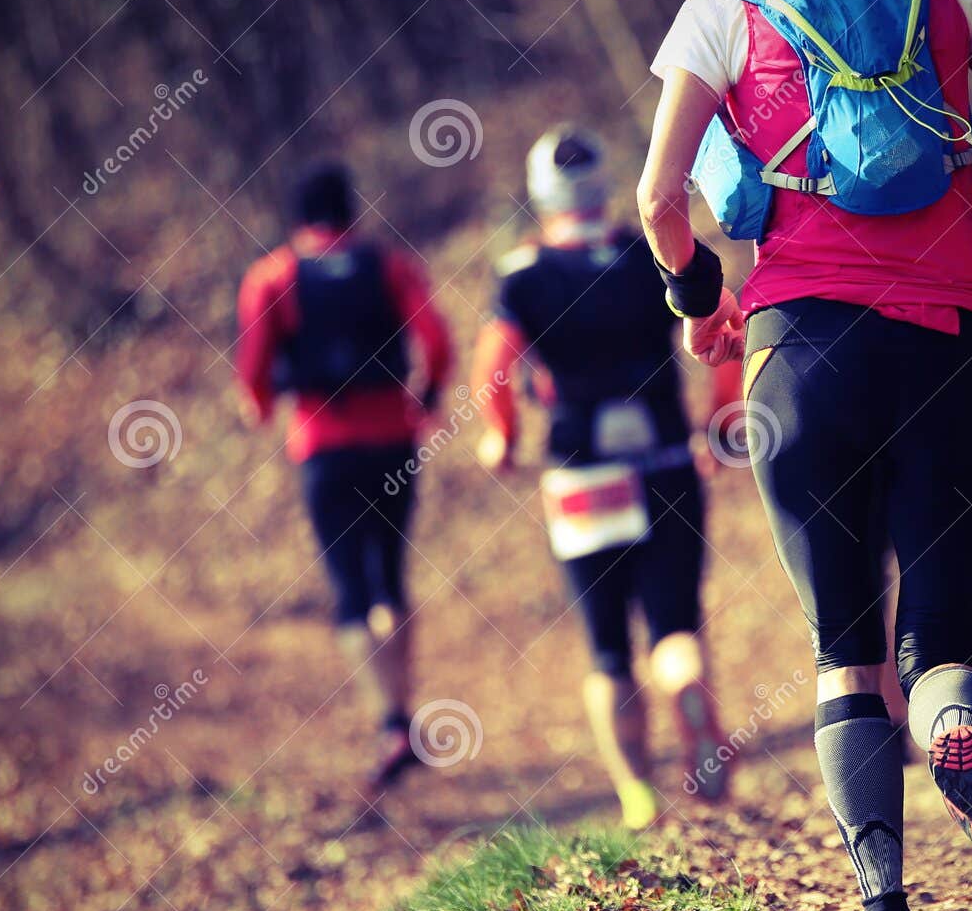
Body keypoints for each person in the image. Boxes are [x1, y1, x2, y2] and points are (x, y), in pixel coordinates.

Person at [639, 0, 972, 911]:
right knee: (938, 646)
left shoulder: (719, 10)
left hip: (801, 357)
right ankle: (952, 732)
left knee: (844, 658)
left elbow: (662, 196)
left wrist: (699, 292)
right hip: (952, 340)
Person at [472, 126, 741, 830]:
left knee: (607, 648)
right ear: (603, 182)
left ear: (541, 194)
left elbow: (493, 364)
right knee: (675, 626)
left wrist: (499, 435)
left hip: (582, 476)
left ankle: (636, 795)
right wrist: (720, 422)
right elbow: (720, 330)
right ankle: (687, 696)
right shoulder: (647, 256)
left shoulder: (523, 275)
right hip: (665, 463)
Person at [235, 163, 454, 790]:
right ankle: (403, 714)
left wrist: (259, 404)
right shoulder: (386, 265)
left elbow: (252, 366)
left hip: (323, 449)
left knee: (349, 589)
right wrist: (429, 396)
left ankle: (389, 720)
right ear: (352, 213)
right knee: (392, 578)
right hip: (392, 440)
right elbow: (435, 337)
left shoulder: (273, 276)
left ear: (297, 218)